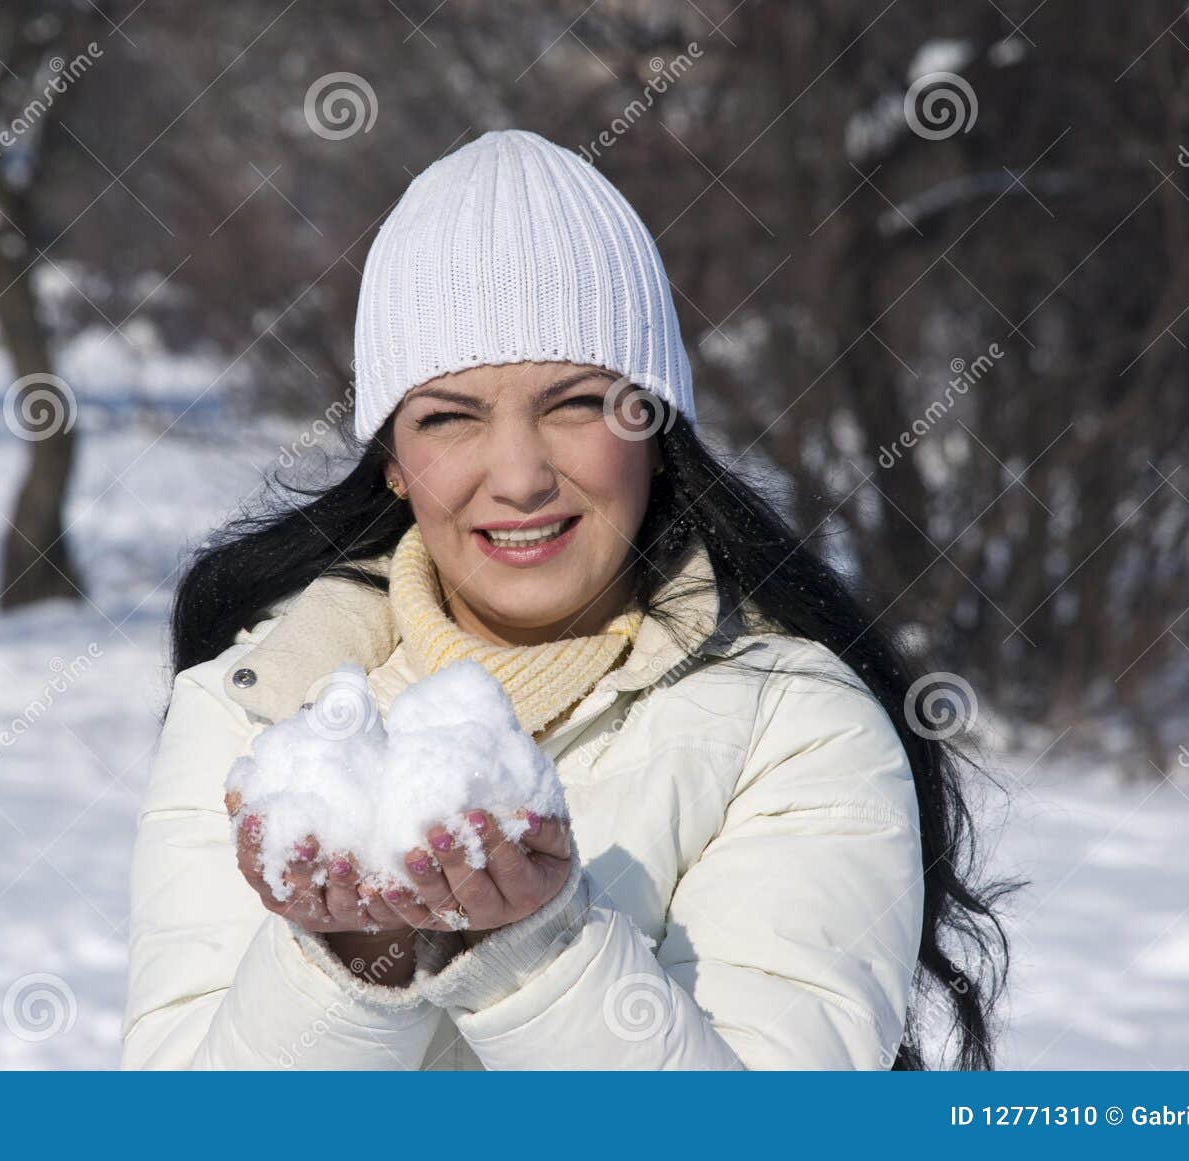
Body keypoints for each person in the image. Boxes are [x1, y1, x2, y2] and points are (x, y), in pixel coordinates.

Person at [120, 128, 1007, 1070]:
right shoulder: (251, 712)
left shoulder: (796, 725)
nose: (518, 477)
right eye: (450, 417)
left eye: (577, 403)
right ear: (390, 461)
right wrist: (347, 962)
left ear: (654, 428)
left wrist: (537, 957)